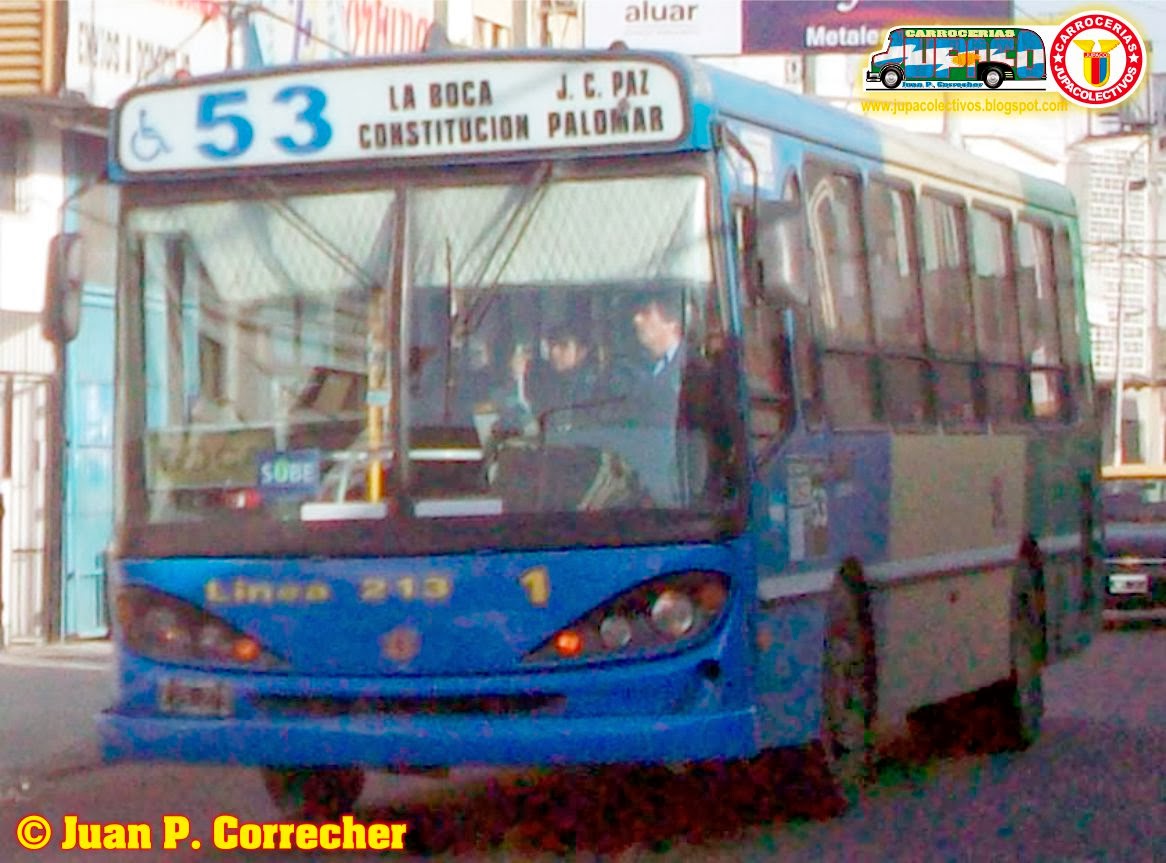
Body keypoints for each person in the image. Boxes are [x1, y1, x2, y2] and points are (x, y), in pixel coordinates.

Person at [530, 321, 603, 428]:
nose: (554, 351)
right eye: (551, 345)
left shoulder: (594, 388)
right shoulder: (543, 384)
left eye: (563, 346)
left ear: (581, 352)